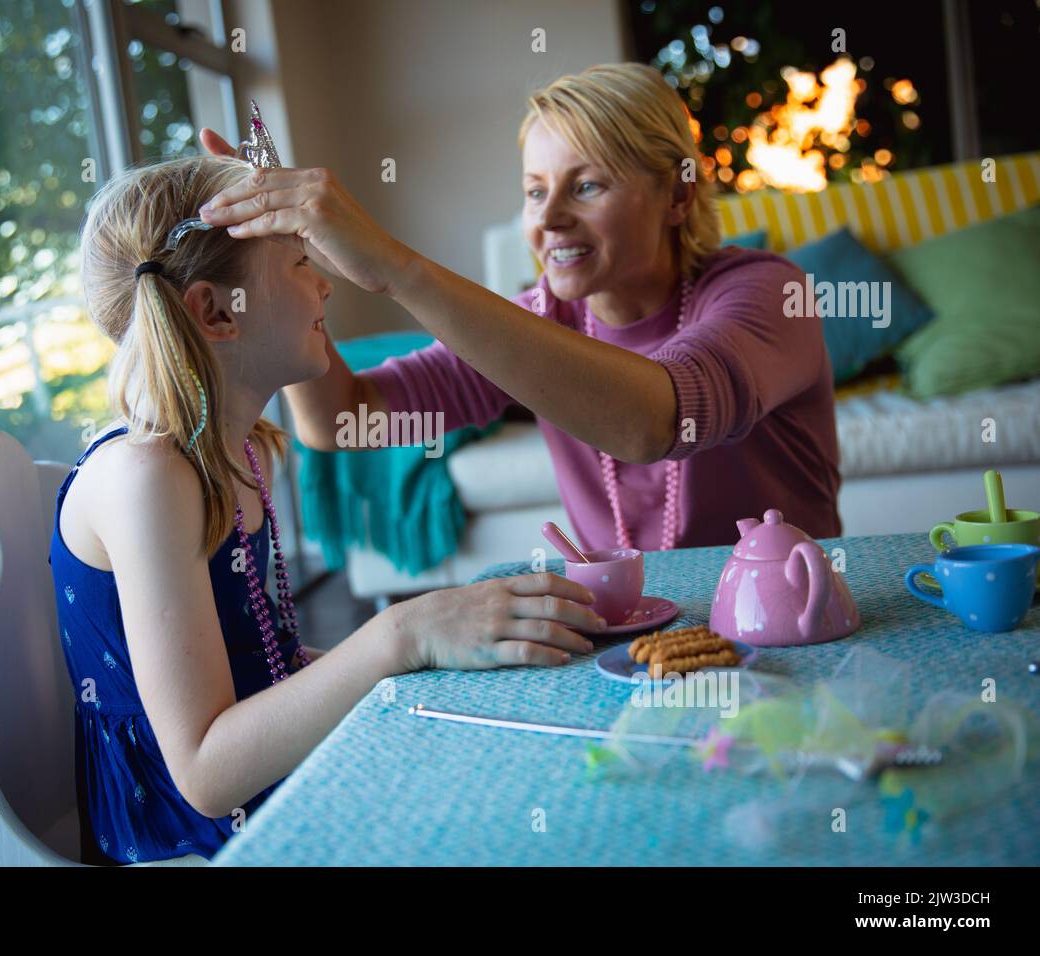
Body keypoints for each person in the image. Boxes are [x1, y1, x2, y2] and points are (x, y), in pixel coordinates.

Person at [53, 154, 609, 864]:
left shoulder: (240, 450)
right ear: (216, 312)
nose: (325, 285)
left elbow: (265, 666)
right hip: (189, 840)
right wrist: (403, 633)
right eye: (298, 263)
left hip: (266, 787)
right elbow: (204, 771)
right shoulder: (148, 477)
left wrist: (432, 663)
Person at [197, 63, 842, 552]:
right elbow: (343, 421)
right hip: (638, 637)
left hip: (792, 623)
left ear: (677, 196)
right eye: (535, 192)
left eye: (587, 185)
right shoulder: (534, 326)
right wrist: (290, 260)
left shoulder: (766, 292)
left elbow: (658, 423)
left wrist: (396, 269)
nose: (551, 219)